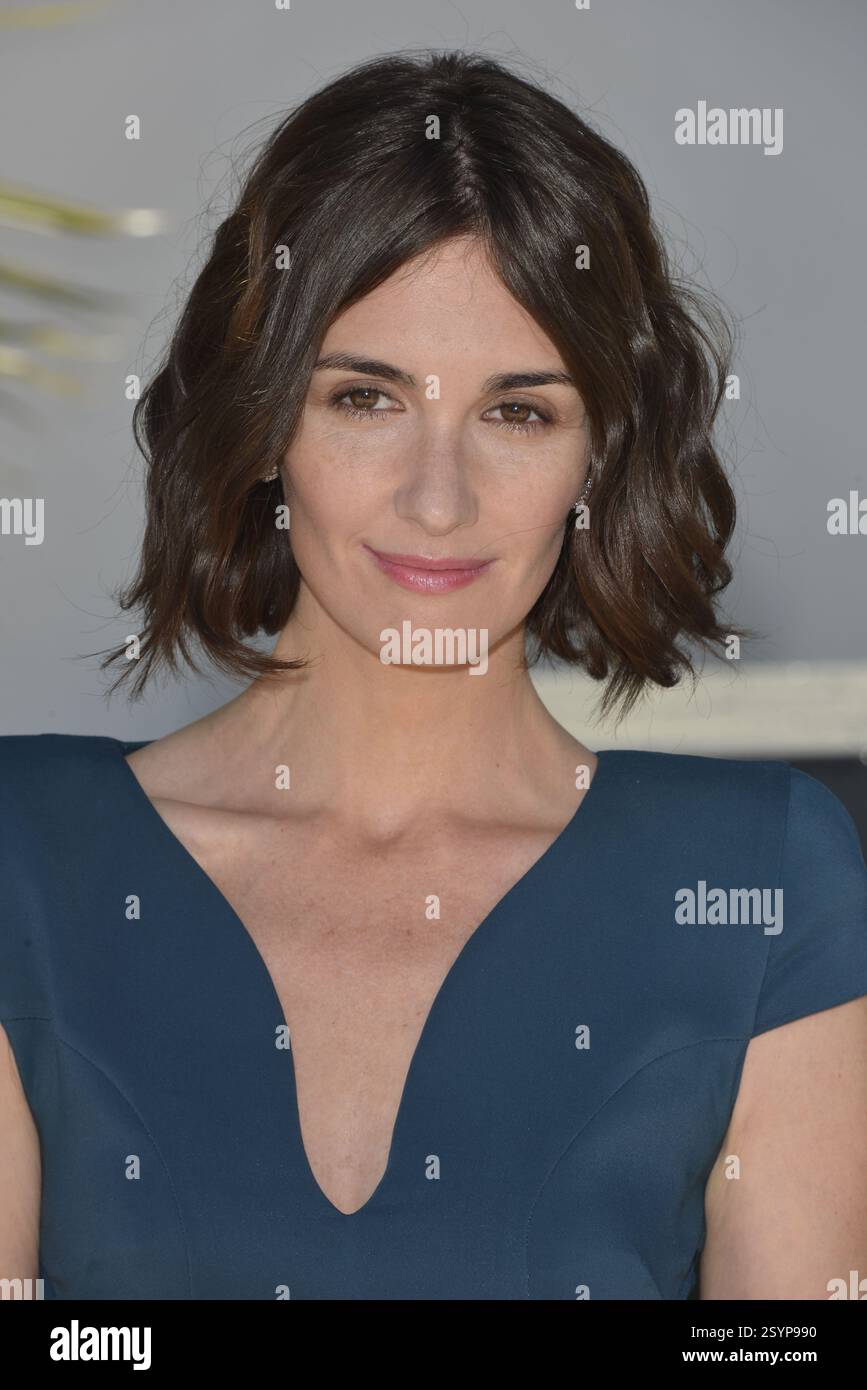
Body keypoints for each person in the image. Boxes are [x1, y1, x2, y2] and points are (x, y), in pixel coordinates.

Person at [2, 50, 866, 1302]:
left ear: (600, 458)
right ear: (262, 428)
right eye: (366, 398)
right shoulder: (30, 862)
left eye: (520, 412)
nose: (439, 496)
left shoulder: (760, 883)